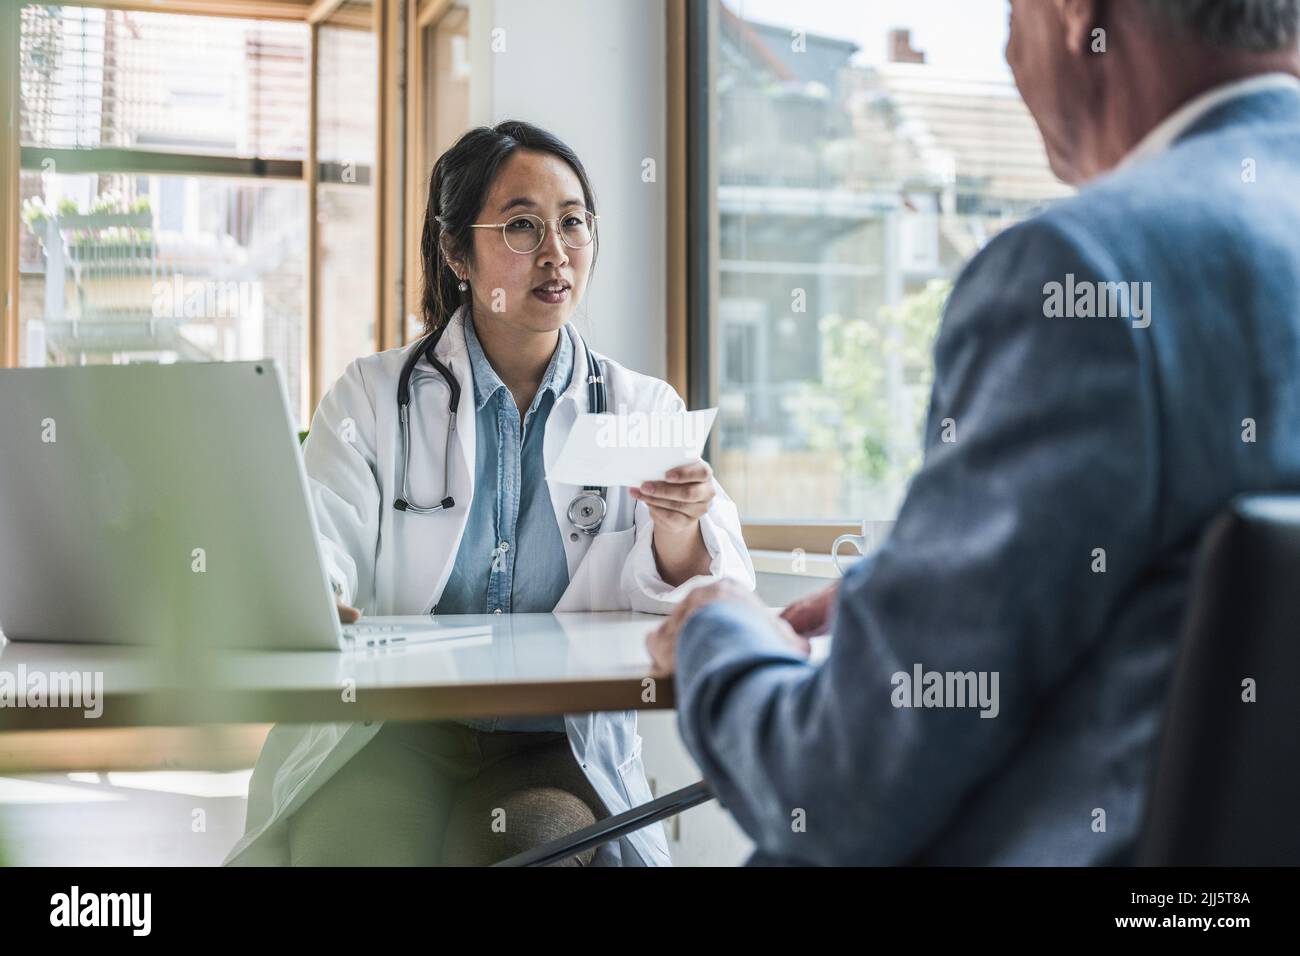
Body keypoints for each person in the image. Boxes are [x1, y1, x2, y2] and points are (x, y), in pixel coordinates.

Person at [648, 0, 1300, 864]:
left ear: (1075, 13)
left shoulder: (1084, 270)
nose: (1005, 48)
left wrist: (713, 631)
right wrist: (930, 591)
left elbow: (837, 785)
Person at [226, 120, 754, 866]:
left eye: (574, 223)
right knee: (351, 849)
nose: (555, 252)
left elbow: (719, 589)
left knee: (532, 848)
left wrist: (677, 532)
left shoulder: (642, 412)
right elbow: (322, 536)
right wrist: (320, 592)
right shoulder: (375, 397)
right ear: (456, 253)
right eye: (520, 226)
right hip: (391, 733)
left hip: (548, 746)